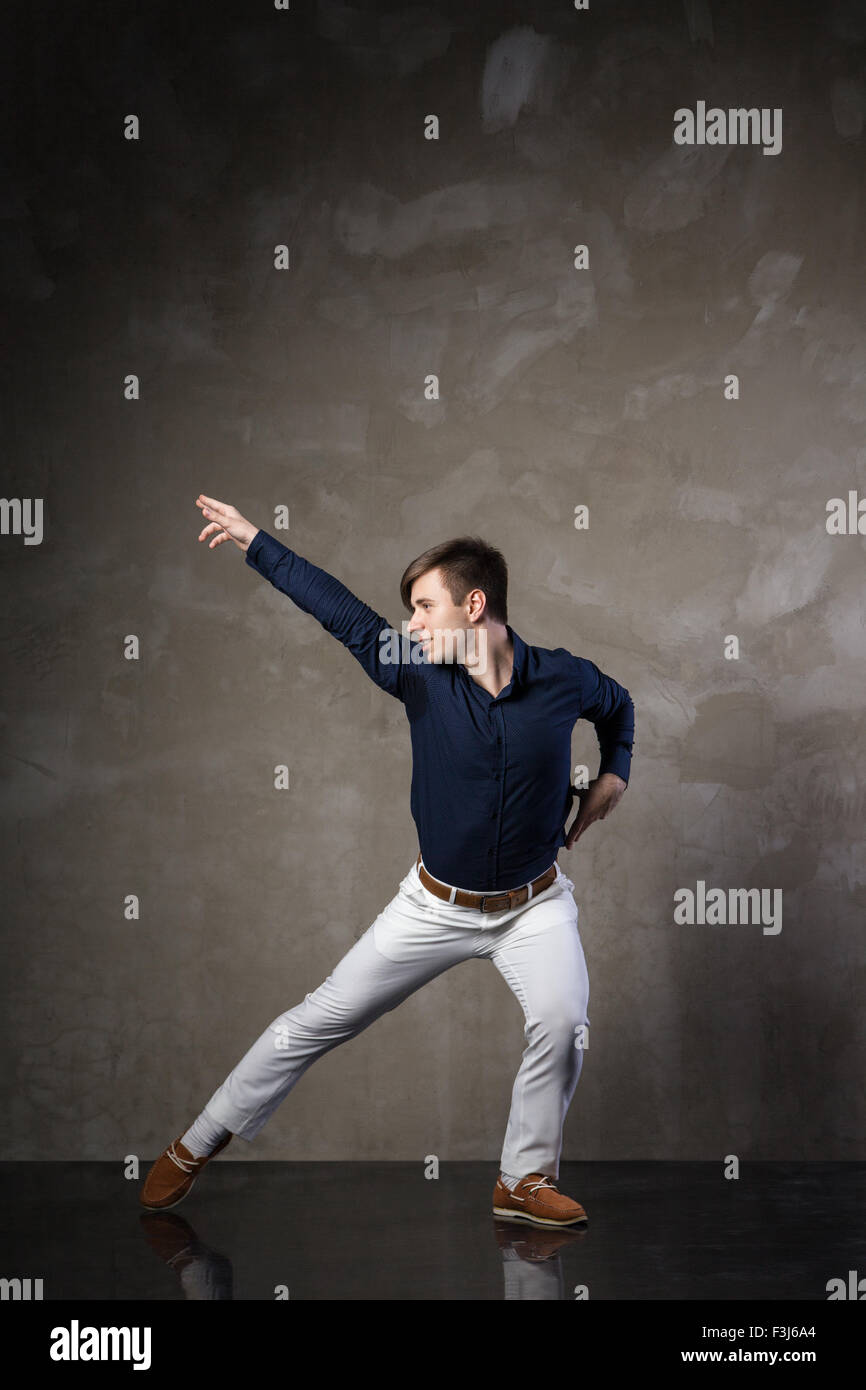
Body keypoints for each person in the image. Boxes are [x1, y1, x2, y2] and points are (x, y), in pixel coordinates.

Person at [139, 494, 634, 1227]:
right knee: (314, 1022)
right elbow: (339, 611)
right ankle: (198, 1140)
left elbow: (618, 706)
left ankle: (522, 1179)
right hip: (434, 906)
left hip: (534, 904)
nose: (410, 624)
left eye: (424, 606)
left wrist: (613, 775)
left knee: (563, 1023)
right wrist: (256, 543)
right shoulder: (416, 672)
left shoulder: (563, 678)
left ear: (474, 605)